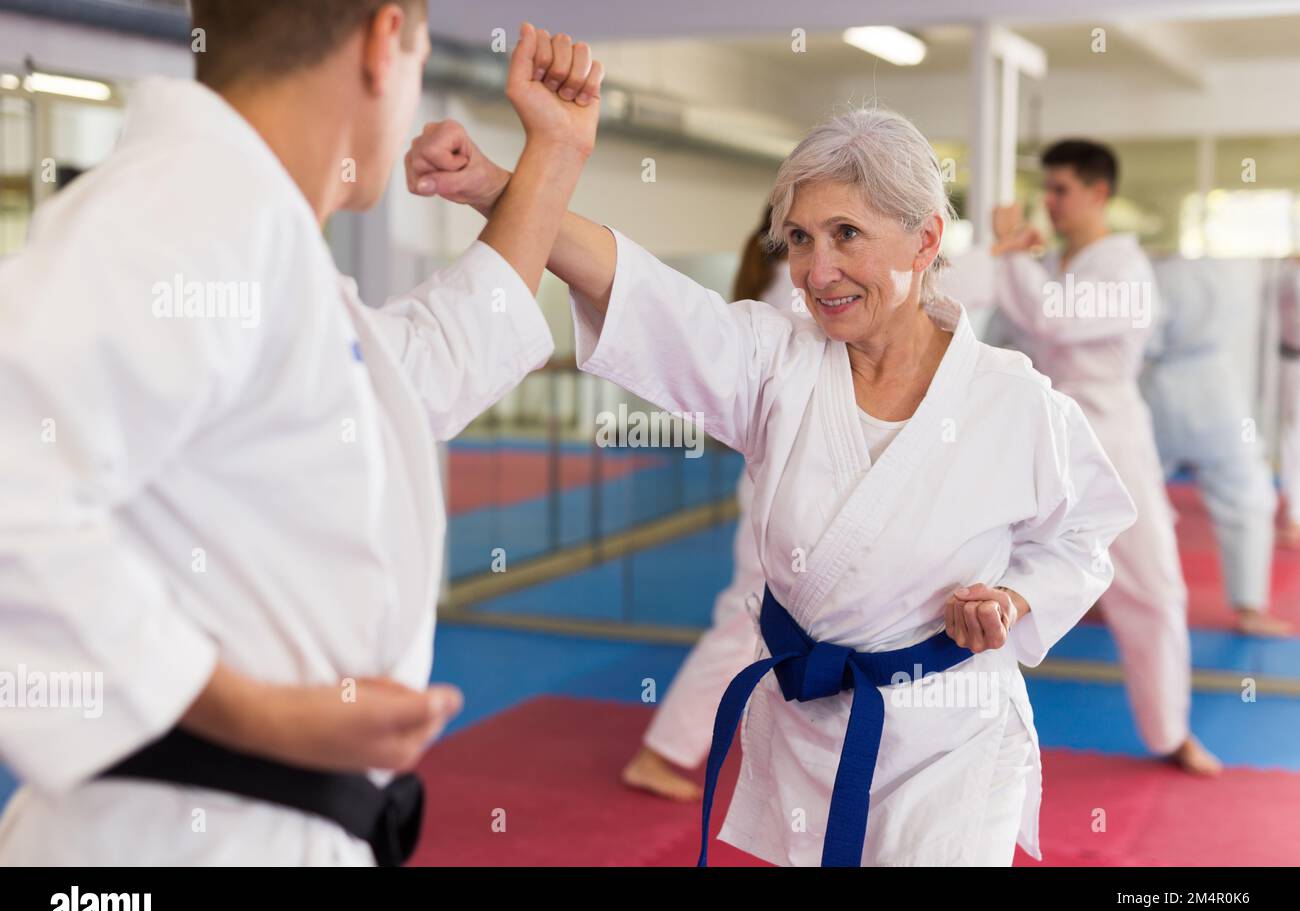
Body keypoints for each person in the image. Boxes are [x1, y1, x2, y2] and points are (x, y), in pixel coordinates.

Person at [407, 107, 1137, 866]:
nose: (818, 272)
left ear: (924, 240)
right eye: (800, 238)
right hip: (810, 725)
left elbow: (1088, 528)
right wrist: (496, 187)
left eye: (847, 234)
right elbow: (642, 292)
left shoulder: (1012, 401)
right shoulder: (773, 362)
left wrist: (1016, 598)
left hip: (951, 735)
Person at [0, 7, 603, 865]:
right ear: (382, 39)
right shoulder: (198, 203)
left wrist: (556, 154)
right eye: (421, 56)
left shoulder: (256, 232)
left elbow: (423, 366)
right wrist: (255, 714)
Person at [992, 139, 1220, 774]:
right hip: (1047, 439)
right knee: (985, 576)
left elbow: (1053, 320)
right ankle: (957, 725)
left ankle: (1171, 732)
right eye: (1048, 189)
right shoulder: (1068, 260)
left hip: (1111, 440)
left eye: (1062, 189)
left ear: (1099, 193)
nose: (1052, 202)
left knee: (1152, 589)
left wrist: (1013, 251)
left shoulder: (1124, 268)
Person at [622, 209, 787, 801]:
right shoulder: (792, 291)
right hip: (781, 494)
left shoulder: (777, 282)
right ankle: (661, 751)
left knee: (768, 623)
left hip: (786, 489)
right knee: (747, 621)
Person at [1143, 256, 1291, 636]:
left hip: (1157, 390)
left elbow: (1145, 334)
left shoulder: (1150, 272)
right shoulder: (1235, 275)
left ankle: (1102, 589)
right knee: (1248, 495)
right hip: (1216, 393)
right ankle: (1250, 609)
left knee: (1126, 494)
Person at [1278, 258, 1300, 548]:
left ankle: (1296, 514)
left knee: (1293, 436)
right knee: (1292, 436)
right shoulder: (1286, 273)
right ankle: (1295, 513)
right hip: (1291, 360)